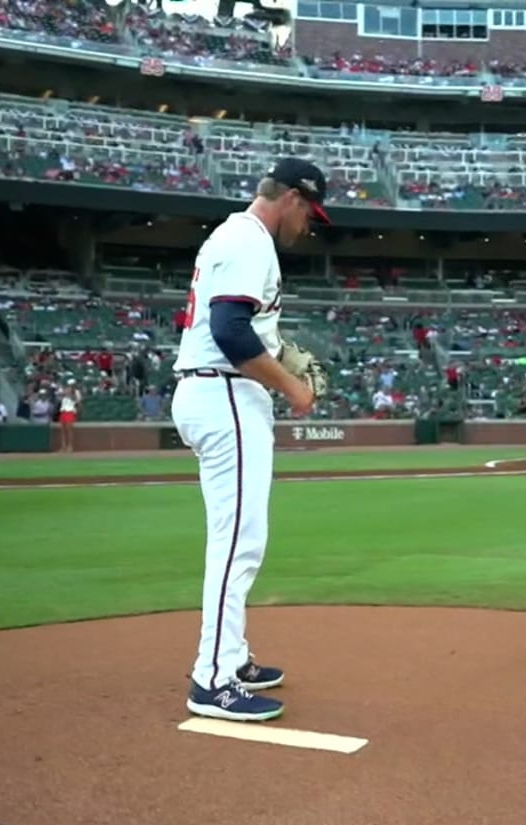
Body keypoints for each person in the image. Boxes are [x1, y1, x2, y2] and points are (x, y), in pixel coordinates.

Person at [170, 157, 327, 723]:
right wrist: (293, 389)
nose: (308, 223)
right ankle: (212, 679)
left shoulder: (232, 237)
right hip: (225, 397)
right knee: (238, 542)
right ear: (289, 198)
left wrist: (280, 354)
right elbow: (227, 329)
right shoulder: (251, 239)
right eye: (309, 211)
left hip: (219, 391)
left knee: (240, 538)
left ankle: (230, 658)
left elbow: (237, 326)